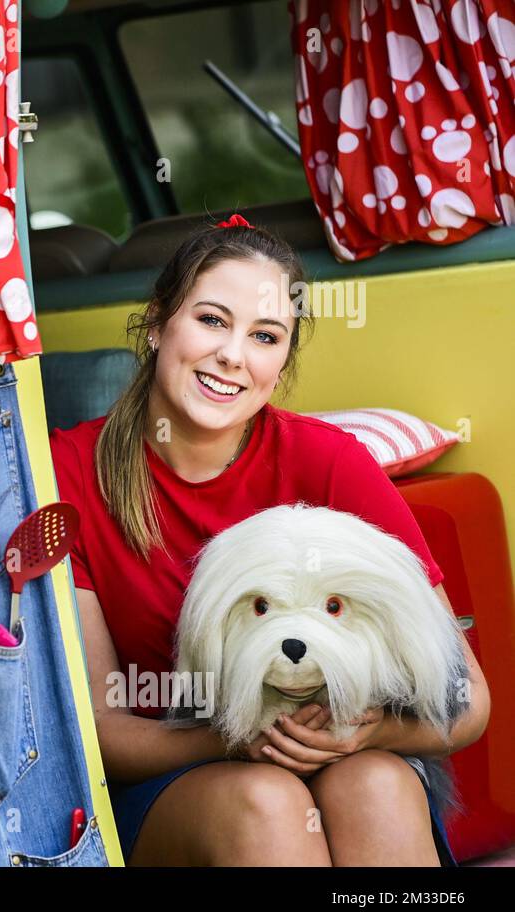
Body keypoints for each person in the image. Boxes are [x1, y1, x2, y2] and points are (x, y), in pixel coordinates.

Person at [49, 215, 491, 866]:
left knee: (378, 785)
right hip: (177, 775)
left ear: (282, 359)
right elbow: (100, 729)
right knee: (268, 801)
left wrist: (363, 735)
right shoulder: (68, 471)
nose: (233, 355)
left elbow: (469, 704)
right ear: (156, 324)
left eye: (264, 336)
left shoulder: (330, 461)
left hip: (350, 753)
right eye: (211, 320)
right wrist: (240, 741)